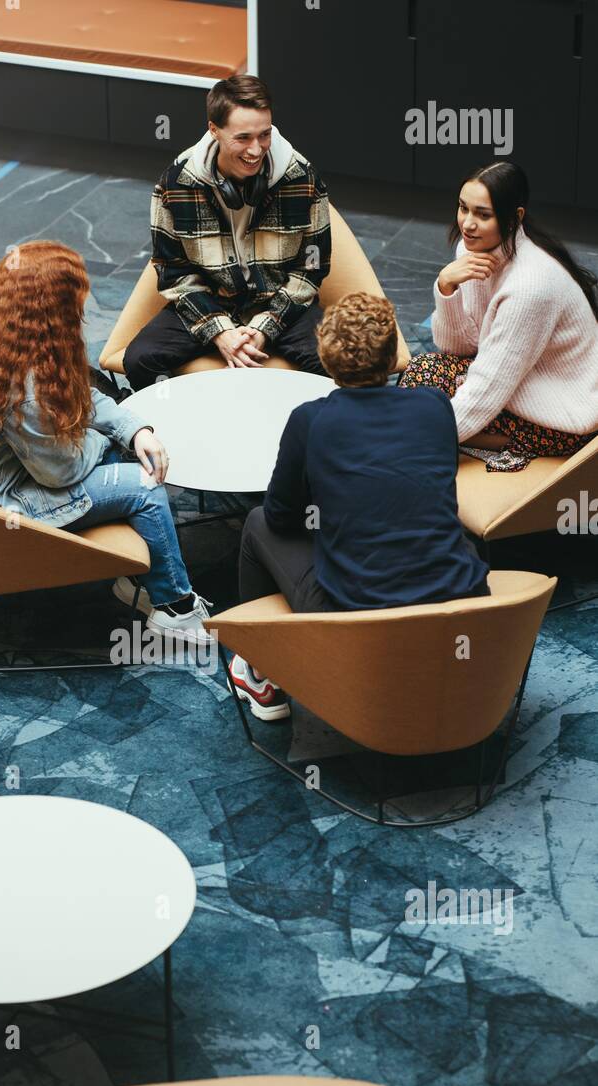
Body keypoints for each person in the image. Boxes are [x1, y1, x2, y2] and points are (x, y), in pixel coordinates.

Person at [0, 240, 211, 646]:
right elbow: (60, 472)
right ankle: (175, 607)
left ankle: (136, 577)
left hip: (11, 472)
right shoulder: (23, 386)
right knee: (145, 487)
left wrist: (134, 429)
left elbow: (79, 392)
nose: (84, 304)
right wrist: (100, 438)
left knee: (127, 448)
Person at [229, 293, 490, 720]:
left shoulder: (309, 420)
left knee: (256, 521)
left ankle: (260, 670)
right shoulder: (434, 405)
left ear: (327, 361)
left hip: (354, 616)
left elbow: (281, 516)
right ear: (391, 359)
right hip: (458, 598)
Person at [123, 74, 331, 390]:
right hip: (211, 303)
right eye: (243, 138)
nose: (256, 149)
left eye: (265, 135)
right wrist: (219, 331)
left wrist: (265, 327)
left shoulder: (302, 178)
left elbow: (311, 270)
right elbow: (174, 273)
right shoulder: (175, 183)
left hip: (280, 302)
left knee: (333, 361)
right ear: (214, 130)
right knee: (141, 360)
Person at [399, 161, 598, 459]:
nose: (467, 224)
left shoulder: (529, 286)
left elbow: (487, 389)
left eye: (483, 214)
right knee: (421, 374)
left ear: (514, 217)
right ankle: (458, 437)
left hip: (564, 414)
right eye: (463, 208)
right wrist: (446, 287)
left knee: (417, 413)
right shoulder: (471, 253)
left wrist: (415, 438)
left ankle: (488, 443)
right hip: (517, 380)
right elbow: (458, 348)